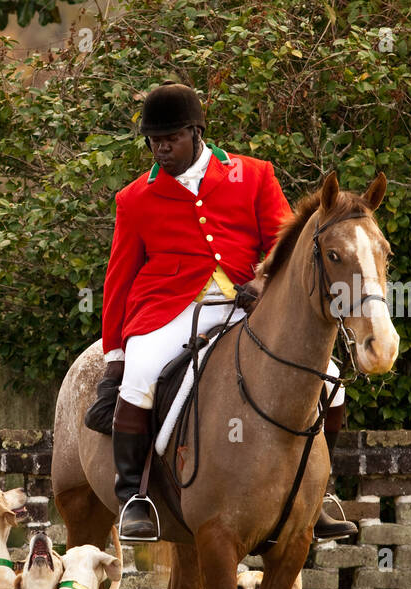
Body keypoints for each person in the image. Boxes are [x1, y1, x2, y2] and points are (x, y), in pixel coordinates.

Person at [100, 82, 356, 541]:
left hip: (247, 304)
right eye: (153, 141)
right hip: (169, 309)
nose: (160, 148)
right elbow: (119, 278)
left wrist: (259, 281)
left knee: (332, 384)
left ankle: (321, 494)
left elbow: (285, 244)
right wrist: (115, 350)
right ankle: (133, 499)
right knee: (139, 377)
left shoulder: (253, 174)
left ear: (197, 132)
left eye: (170, 138)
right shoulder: (134, 198)